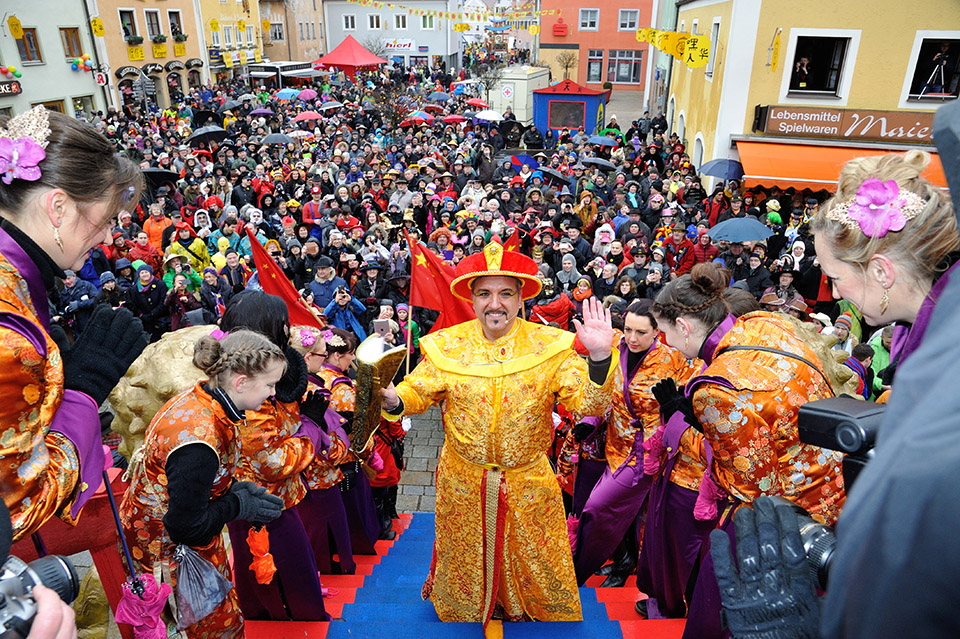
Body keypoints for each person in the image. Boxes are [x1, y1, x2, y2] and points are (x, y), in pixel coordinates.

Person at [381, 241, 618, 632]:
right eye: (485, 294)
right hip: (463, 479)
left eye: (506, 293)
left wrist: (599, 358)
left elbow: (589, 404)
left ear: (520, 297)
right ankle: (466, 607)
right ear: (472, 300)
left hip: (529, 478)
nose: (496, 304)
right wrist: (393, 399)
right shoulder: (446, 346)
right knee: (465, 554)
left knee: (533, 555)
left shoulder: (550, 347)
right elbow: (417, 392)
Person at [650, 262, 845, 639]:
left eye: (664, 332)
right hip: (831, 490)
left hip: (784, 520)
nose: (665, 344)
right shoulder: (765, 322)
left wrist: (708, 423)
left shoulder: (715, 389)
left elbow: (752, 488)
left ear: (685, 327)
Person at [0, 106, 147, 541]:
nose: (107, 237)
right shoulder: (12, 332)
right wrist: (81, 394)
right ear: (58, 206)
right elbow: (15, 506)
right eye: (104, 221)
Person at [120, 331, 287, 638]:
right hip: (169, 555)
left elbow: (196, 486)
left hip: (180, 541)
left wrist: (234, 489)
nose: (272, 393)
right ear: (240, 382)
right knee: (214, 629)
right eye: (269, 384)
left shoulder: (205, 399)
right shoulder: (199, 439)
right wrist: (238, 504)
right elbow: (188, 526)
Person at [571, 299, 695, 587]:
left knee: (599, 507)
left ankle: (575, 571)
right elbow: (602, 395)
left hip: (648, 454)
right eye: (627, 329)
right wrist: (589, 422)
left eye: (641, 332)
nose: (632, 338)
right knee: (624, 511)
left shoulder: (673, 359)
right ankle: (624, 561)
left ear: (656, 332)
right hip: (614, 445)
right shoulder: (612, 347)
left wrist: (677, 409)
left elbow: (693, 397)